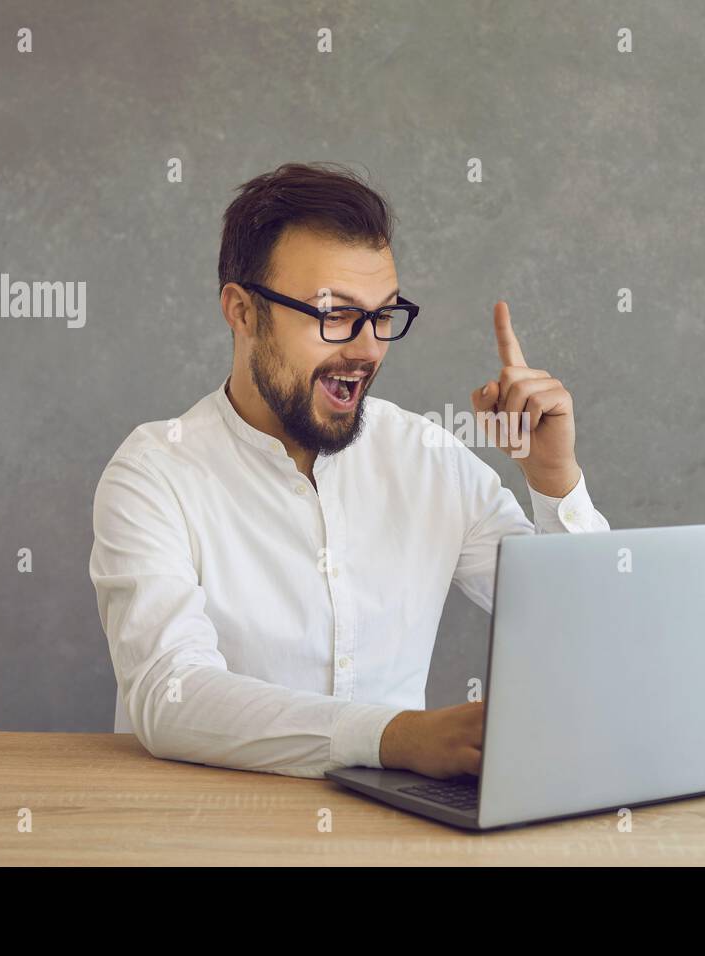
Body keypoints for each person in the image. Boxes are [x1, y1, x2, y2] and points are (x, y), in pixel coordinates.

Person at [89, 162, 608, 780]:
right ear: (242, 311)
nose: (365, 349)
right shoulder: (154, 473)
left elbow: (589, 637)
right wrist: (394, 737)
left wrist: (554, 480)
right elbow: (169, 693)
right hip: (212, 832)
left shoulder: (429, 458)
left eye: (383, 315)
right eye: (332, 314)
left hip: (398, 838)